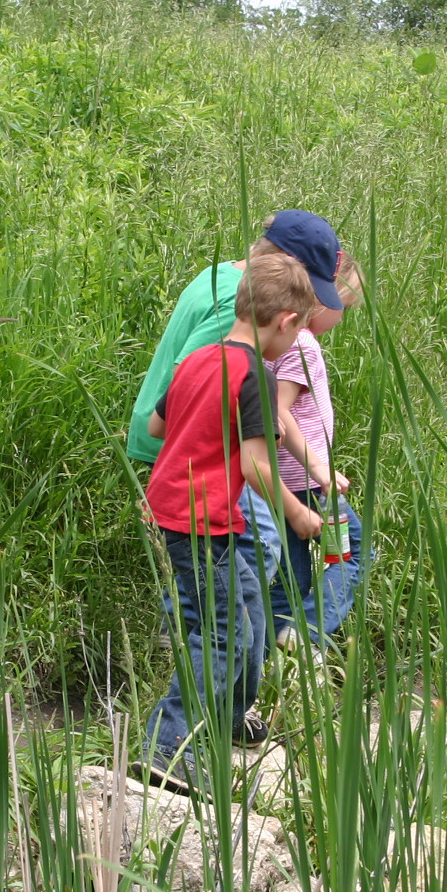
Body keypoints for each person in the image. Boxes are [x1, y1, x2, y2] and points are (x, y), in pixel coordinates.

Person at [126, 211, 352, 648]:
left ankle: (217, 652)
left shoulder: (225, 277)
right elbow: (196, 377)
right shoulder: (233, 304)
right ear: (286, 269)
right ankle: (205, 651)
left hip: (183, 444)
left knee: (235, 563)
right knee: (259, 546)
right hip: (196, 449)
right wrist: (294, 506)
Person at [142, 254, 326, 786]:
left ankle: (231, 713)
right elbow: (254, 464)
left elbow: (157, 426)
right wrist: (295, 512)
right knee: (221, 632)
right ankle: (168, 740)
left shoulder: (199, 359)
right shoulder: (255, 377)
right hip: (202, 517)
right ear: (287, 321)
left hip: (177, 507)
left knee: (251, 608)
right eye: (298, 332)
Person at [268, 249, 369, 648]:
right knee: (353, 553)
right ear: (319, 299)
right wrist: (319, 470)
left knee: (287, 574)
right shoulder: (302, 344)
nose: (342, 317)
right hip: (307, 482)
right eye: (342, 306)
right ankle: (306, 631)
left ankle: (277, 653)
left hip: (277, 480)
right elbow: (278, 411)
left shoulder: (277, 338)